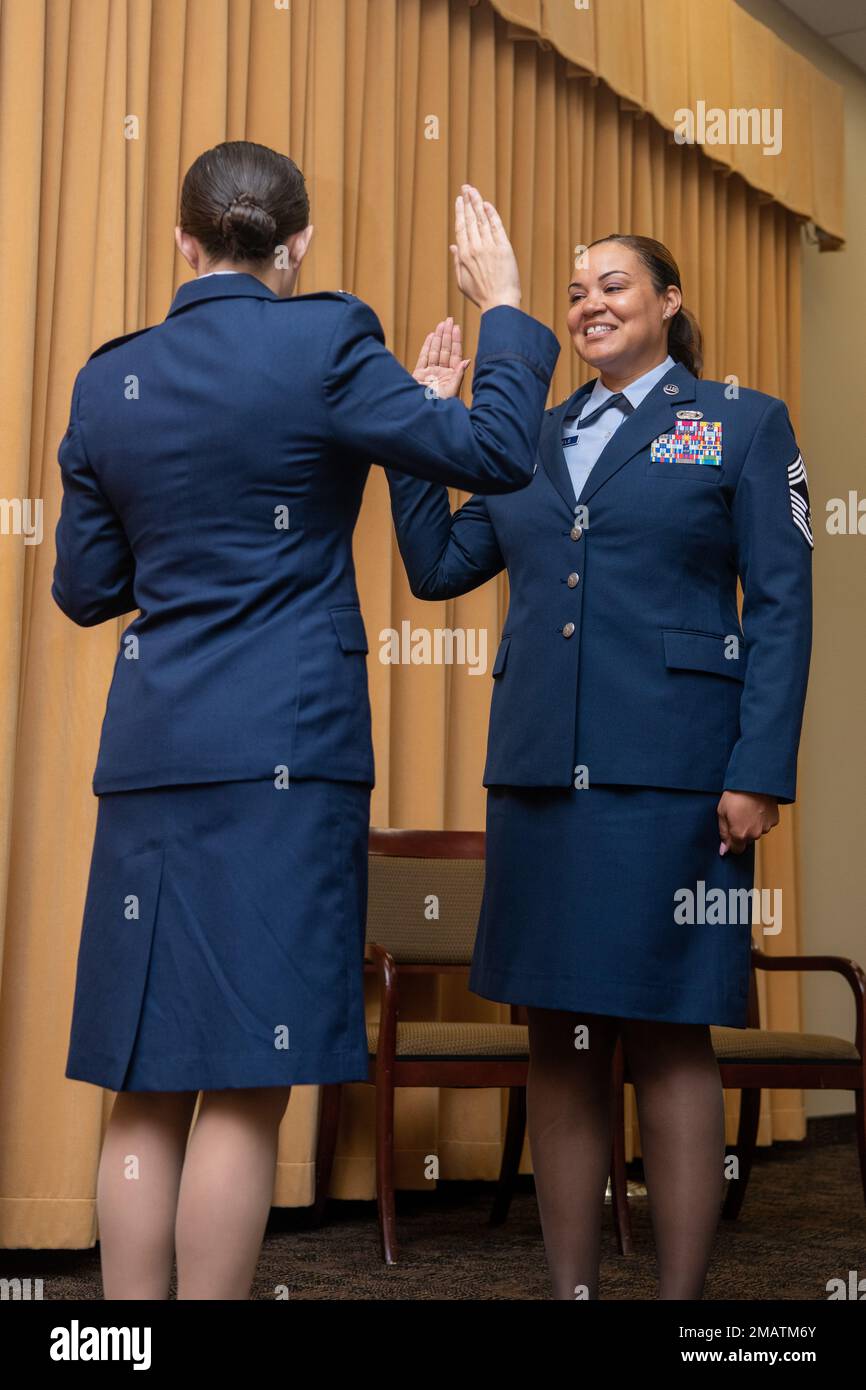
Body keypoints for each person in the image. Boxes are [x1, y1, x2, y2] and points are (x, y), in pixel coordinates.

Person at [52, 139, 560, 1300]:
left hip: (153, 756)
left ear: (183, 241)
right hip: (286, 746)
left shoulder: (107, 378)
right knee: (242, 1072)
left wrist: (186, 543)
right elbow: (491, 453)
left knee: (143, 1072)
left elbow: (87, 588)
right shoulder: (328, 338)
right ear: (298, 247)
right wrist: (505, 309)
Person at [387, 234, 812, 1299]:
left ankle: (678, 1303)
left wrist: (757, 769)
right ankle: (571, 1290)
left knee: (669, 1037)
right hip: (538, 783)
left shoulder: (739, 422)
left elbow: (781, 606)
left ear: (668, 299)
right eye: (571, 293)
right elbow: (439, 565)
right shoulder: (526, 438)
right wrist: (416, 432)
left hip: (674, 784)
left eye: (610, 285)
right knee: (558, 1047)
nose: (586, 305)